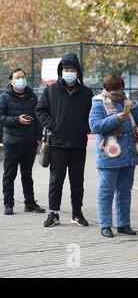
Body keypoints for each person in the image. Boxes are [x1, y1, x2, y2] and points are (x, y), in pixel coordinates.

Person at [36, 53, 93, 227]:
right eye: (66, 69)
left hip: (78, 144)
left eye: (73, 69)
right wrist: (54, 126)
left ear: (78, 72)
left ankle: (77, 213)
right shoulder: (51, 90)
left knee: (77, 181)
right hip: (58, 144)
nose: (70, 72)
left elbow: (92, 116)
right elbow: (40, 111)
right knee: (56, 180)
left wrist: (84, 128)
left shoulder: (86, 92)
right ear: (61, 71)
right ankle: (53, 213)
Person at [89, 74, 138, 238]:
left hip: (128, 155)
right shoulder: (98, 103)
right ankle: (105, 225)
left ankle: (123, 224)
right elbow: (95, 126)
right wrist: (115, 119)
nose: (118, 92)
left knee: (125, 191)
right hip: (109, 156)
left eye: (120, 88)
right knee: (106, 192)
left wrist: (134, 107)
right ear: (107, 89)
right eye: (114, 89)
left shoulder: (126, 102)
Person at [0, 68, 45, 215]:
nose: (21, 80)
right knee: (9, 174)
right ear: (11, 81)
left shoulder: (32, 96)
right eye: (17, 77)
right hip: (12, 142)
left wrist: (38, 135)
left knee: (27, 174)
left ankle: (30, 203)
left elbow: (39, 116)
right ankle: (8, 204)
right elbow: (1, 118)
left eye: (23, 77)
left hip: (29, 142)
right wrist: (17, 120)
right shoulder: (4, 97)